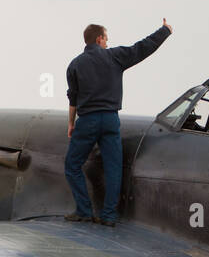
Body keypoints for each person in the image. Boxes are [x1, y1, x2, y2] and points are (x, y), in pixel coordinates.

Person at [65, 19, 173, 225]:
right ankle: (109, 215)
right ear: (99, 39)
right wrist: (164, 31)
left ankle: (84, 210)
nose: (108, 42)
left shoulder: (75, 65)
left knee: (72, 165)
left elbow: (73, 99)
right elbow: (143, 47)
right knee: (113, 167)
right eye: (106, 38)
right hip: (110, 120)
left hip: (87, 120)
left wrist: (71, 123)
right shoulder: (115, 57)